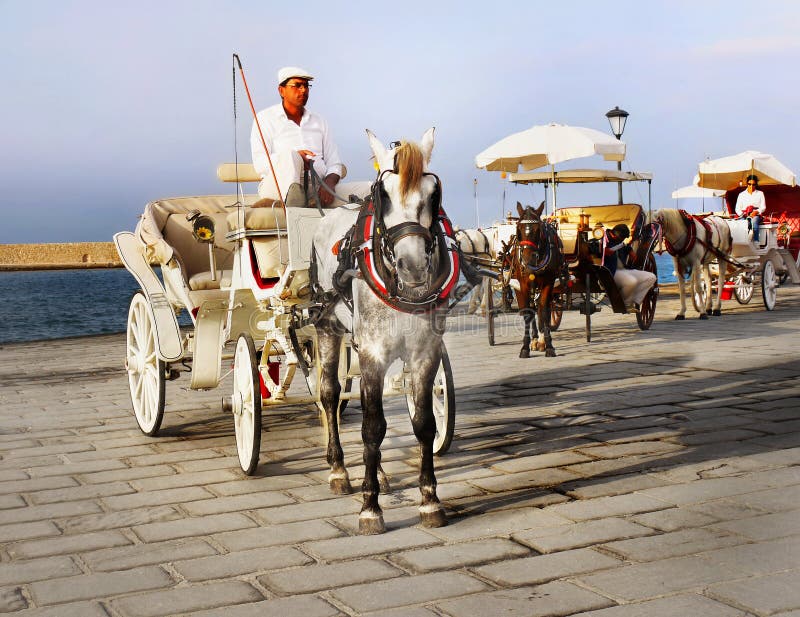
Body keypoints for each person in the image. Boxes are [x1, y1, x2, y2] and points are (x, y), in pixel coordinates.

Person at [250, 66, 370, 207]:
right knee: (292, 156)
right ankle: (292, 201)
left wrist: (328, 185)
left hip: (317, 187)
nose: (303, 90)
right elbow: (260, 163)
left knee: (371, 189)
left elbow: (334, 164)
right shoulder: (265, 119)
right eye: (297, 85)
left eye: (306, 86)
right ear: (281, 90)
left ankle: (308, 201)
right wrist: (297, 159)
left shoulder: (319, 121)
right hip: (278, 187)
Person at [603, 224, 657, 308]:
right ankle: (625, 303)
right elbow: (602, 250)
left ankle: (633, 301)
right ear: (617, 236)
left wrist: (630, 250)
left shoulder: (619, 241)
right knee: (631, 282)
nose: (623, 240)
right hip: (611, 272)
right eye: (623, 238)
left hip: (624, 270)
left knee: (651, 277)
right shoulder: (602, 239)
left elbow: (625, 247)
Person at [735, 174, 766, 244]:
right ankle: (740, 242)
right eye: (749, 184)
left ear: (756, 185)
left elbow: (763, 207)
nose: (751, 186)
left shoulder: (760, 194)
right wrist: (743, 214)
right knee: (741, 224)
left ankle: (756, 241)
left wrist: (756, 212)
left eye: (753, 184)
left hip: (755, 214)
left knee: (754, 222)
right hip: (744, 215)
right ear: (747, 184)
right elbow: (737, 208)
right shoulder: (741, 194)